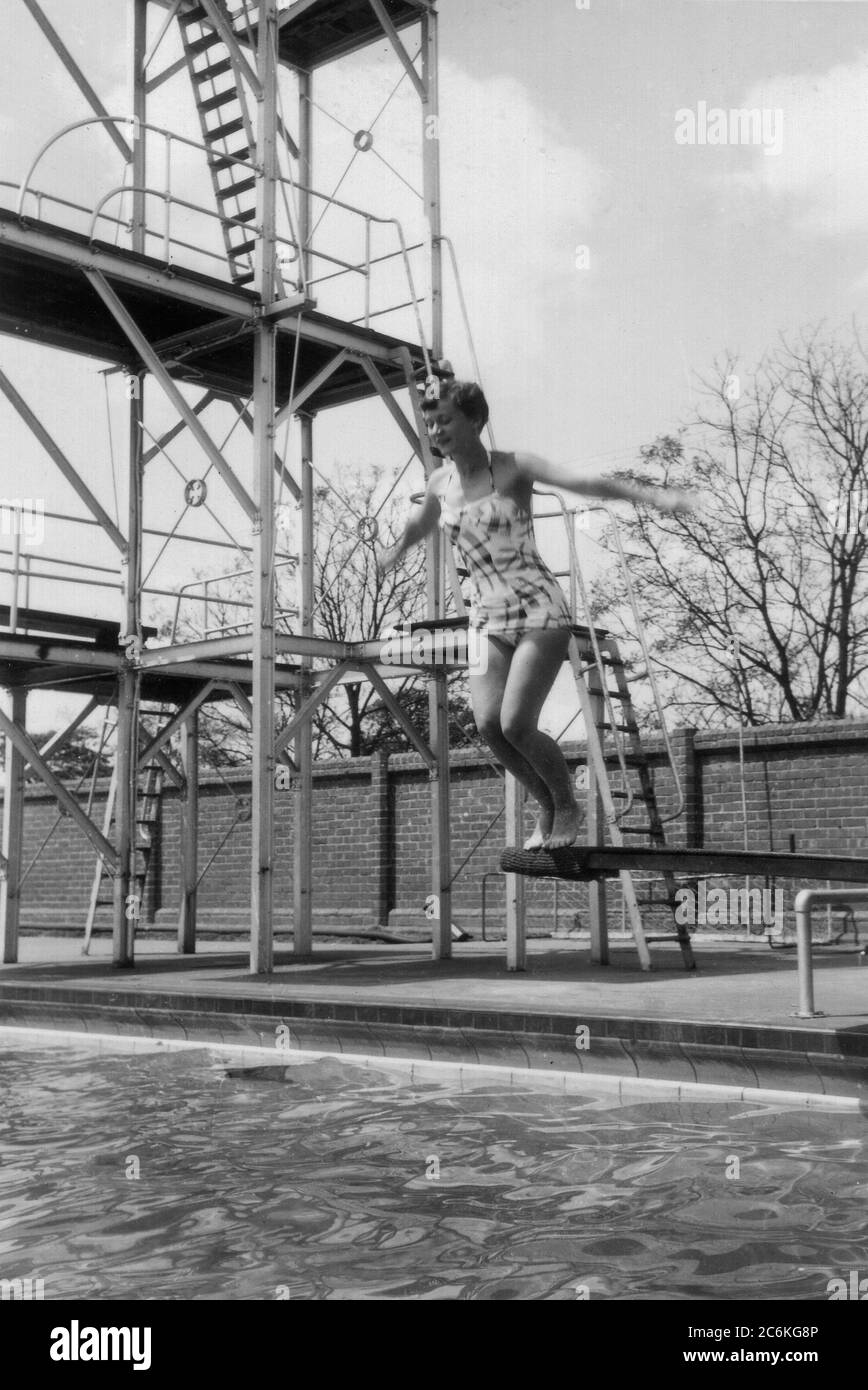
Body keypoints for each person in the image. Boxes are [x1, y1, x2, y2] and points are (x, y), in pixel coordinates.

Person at [377, 372, 690, 850]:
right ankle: (544, 802)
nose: (436, 432)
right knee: (488, 726)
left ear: (476, 420)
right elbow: (422, 523)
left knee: (516, 723)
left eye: (445, 421)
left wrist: (652, 496)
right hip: (487, 619)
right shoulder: (439, 482)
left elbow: (583, 481)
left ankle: (567, 804)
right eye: (431, 424)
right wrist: (396, 550)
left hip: (538, 611)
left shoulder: (513, 468)